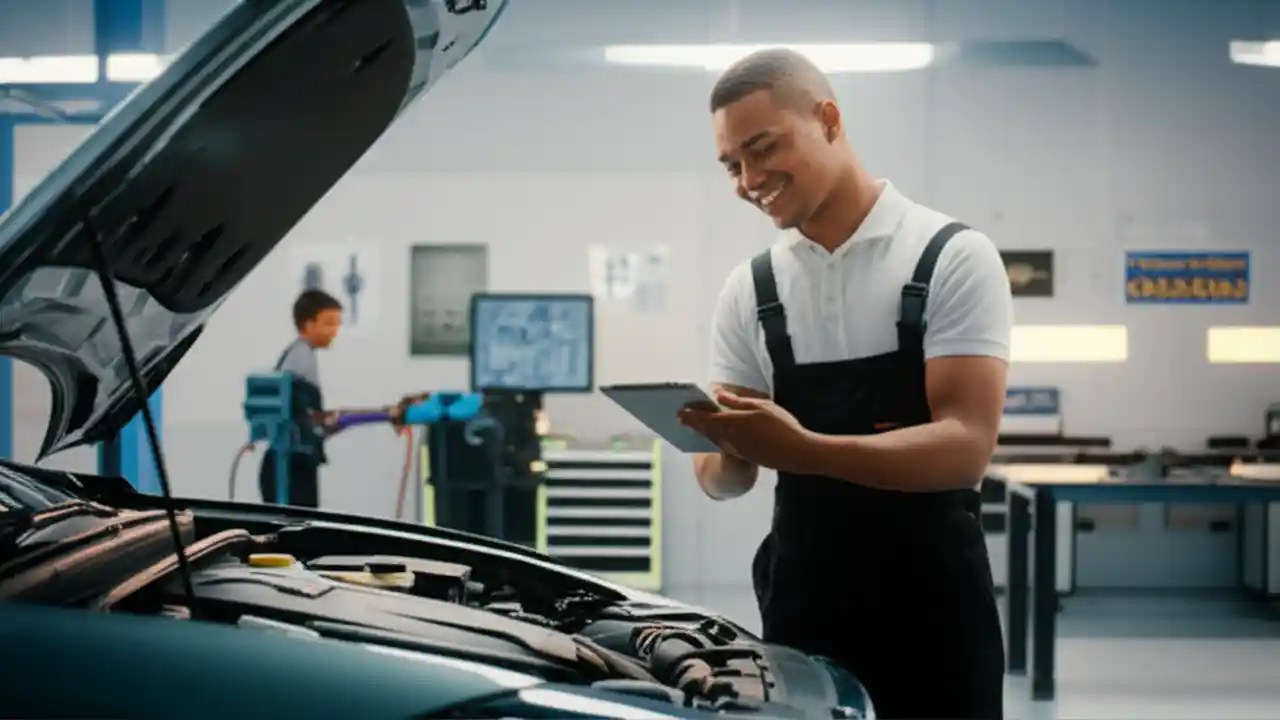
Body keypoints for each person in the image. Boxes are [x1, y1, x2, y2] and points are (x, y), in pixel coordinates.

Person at [677, 48, 1013, 719]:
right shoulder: (751, 290)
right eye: (731, 165)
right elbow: (728, 481)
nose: (749, 179)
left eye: (763, 147)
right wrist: (721, 447)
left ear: (828, 119)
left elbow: (964, 447)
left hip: (935, 613)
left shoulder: (948, 257)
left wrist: (802, 450)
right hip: (806, 608)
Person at [259, 289, 343, 508]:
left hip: (292, 463)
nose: (335, 331)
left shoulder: (299, 355)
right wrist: (320, 425)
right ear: (308, 324)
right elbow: (302, 414)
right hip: (290, 468)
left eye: (337, 324)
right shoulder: (301, 358)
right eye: (329, 323)